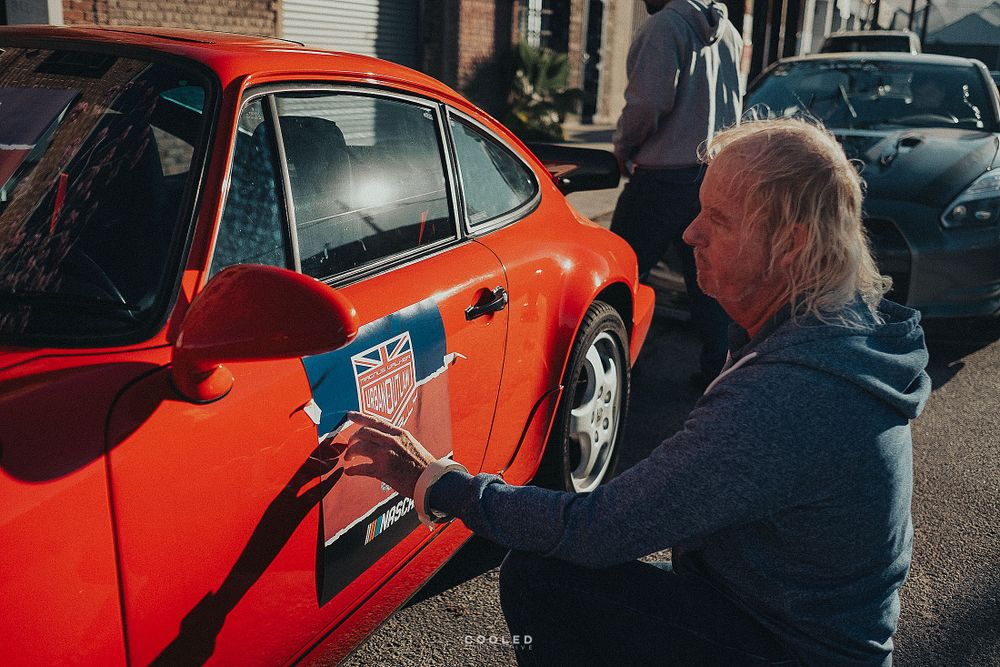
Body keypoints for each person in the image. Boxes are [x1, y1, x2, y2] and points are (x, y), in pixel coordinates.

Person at [340, 118, 931, 666]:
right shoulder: (833, 328)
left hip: (792, 647)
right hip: (795, 622)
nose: (690, 232)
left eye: (718, 219)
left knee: (543, 577)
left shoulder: (789, 395)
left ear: (793, 245)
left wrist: (439, 483)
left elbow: (597, 531)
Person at [609, 0, 743, 388]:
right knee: (708, 278)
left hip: (661, 177)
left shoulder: (664, 27)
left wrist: (623, 147)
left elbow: (648, 103)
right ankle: (719, 371)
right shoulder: (731, 34)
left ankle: (617, 363)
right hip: (712, 174)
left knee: (620, 271)